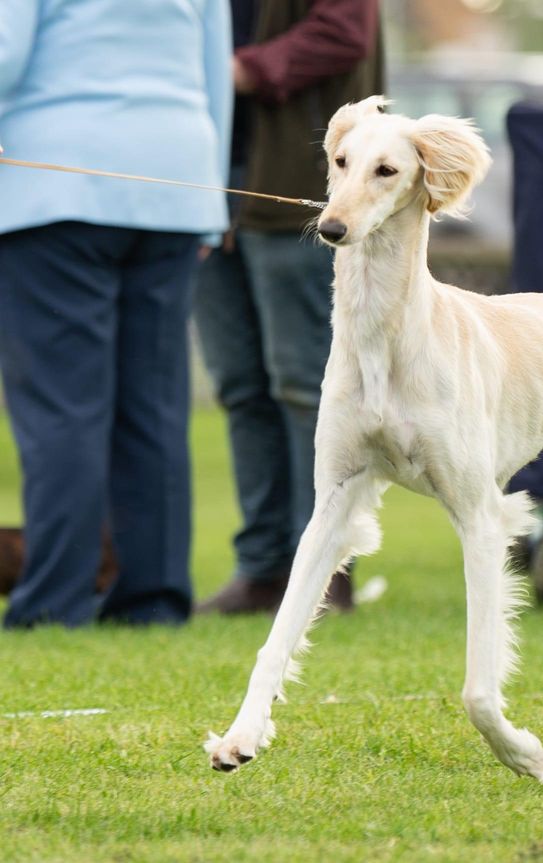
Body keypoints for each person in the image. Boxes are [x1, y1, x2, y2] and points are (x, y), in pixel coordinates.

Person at [0, 0, 232, 627]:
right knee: (153, 407)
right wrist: (210, 196)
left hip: (55, 182)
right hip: (176, 182)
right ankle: (152, 600)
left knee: (62, 409)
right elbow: (216, 73)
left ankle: (54, 603)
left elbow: (5, 54)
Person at [194, 0, 384, 614]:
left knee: (306, 385)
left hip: (298, 193)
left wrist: (245, 68)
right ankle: (264, 567)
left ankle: (327, 570)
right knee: (240, 385)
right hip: (205, 183)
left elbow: (345, 31)